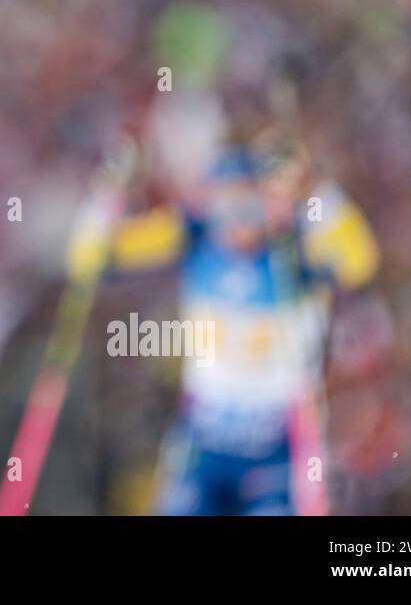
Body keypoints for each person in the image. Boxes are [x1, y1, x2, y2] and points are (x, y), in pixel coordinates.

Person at [66, 134, 379, 514]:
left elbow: (360, 261)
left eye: (249, 201)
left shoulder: (293, 250)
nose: (237, 218)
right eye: (226, 201)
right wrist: (109, 193)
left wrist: (316, 189)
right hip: (204, 437)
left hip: (280, 442)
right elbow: (89, 260)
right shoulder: (193, 235)